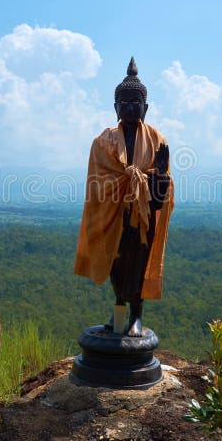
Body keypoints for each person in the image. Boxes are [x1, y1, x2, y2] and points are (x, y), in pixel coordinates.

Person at [74, 57, 174, 336]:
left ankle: (136, 315)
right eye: (125, 103)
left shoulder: (157, 141)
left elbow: (162, 193)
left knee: (138, 263)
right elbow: (97, 183)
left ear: (146, 107)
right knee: (116, 261)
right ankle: (118, 311)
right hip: (114, 214)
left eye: (136, 103)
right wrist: (122, 188)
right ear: (115, 107)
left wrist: (161, 175)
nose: (131, 107)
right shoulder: (103, 142)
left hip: (143, 216)